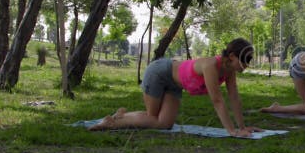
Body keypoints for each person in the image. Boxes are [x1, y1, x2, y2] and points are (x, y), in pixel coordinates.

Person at [90, 38, 260, 137]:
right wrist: (232, 131)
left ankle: (122, 116)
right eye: (245, 60)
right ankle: (111, 123)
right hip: (159, 72)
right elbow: (217, 100)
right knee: (153, 117)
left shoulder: (229, 71)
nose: (246, 65)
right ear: (231, 56)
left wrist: (242, 127)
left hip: (174, 83)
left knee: (164, 124)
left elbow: (234, 98)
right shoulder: (211, 66)